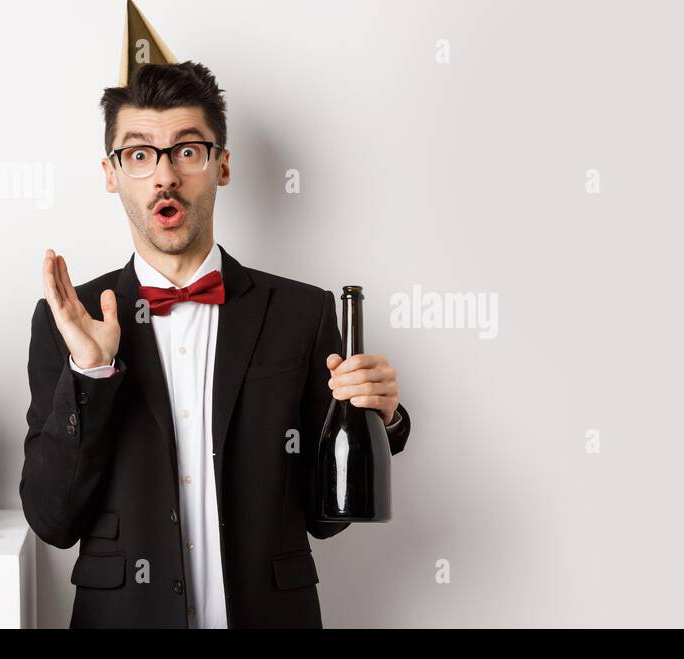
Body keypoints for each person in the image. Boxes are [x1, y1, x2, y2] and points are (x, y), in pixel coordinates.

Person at [20, 59, 411, 628]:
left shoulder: (303, 313)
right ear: (111, 173)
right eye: (138, 154)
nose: (164, 177)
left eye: (187, 150)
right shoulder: (65, 317)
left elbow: (327, 516)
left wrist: (385, 419)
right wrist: (91, 376)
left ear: (222, 165)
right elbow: (53, 522)